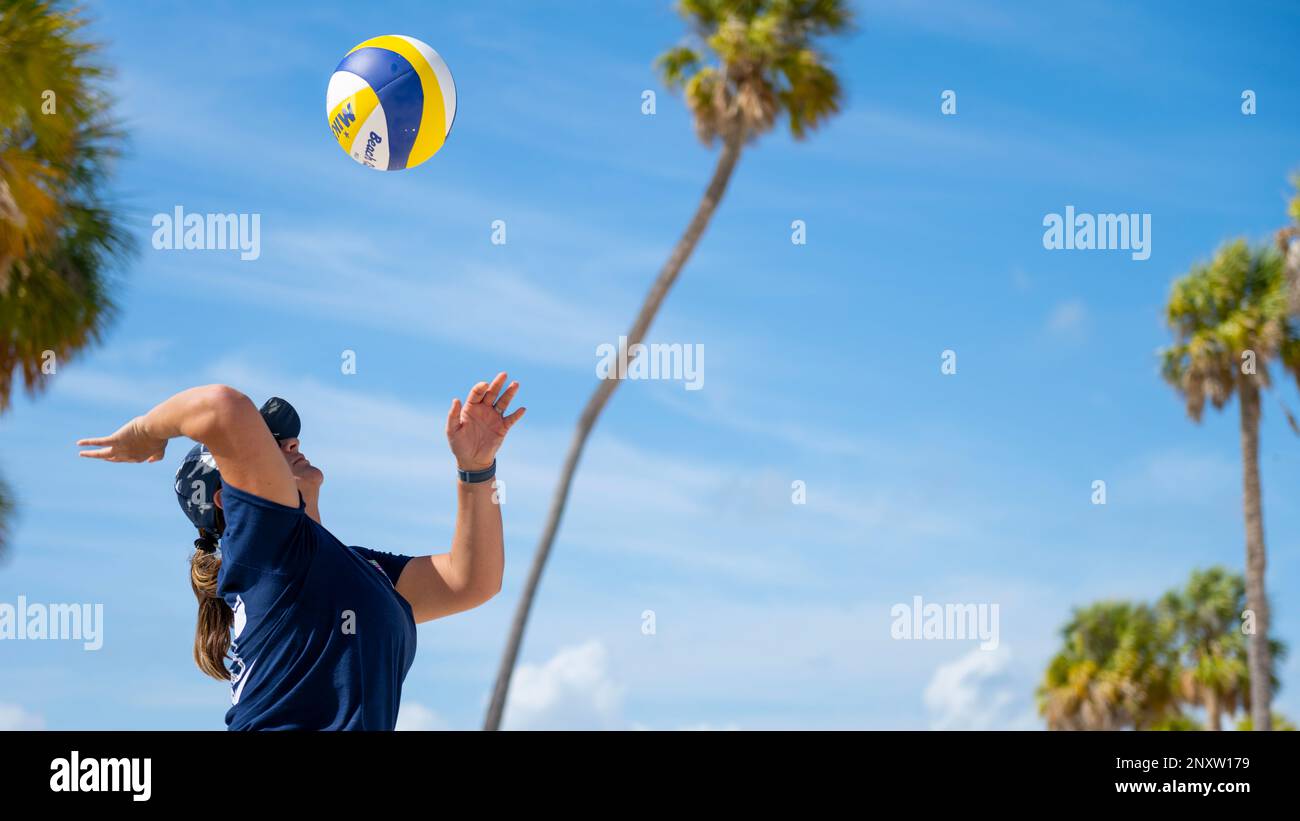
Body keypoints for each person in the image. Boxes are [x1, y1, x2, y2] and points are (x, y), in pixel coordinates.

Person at [76, 373, 525, 730]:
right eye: (270, 445)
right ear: (227, 501)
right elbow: (221, 407)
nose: (291, 443)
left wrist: (476, 468)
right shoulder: (261, 547)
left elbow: (471, 581)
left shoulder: (358, 568)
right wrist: (143, 431)